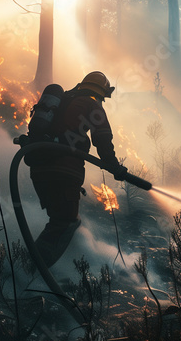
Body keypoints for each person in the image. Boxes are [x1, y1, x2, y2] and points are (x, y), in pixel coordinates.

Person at [25, 71, 126, 268]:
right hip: (64, 172)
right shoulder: (92, 105)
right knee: (66, 223)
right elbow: (103, 140)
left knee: (59, 221)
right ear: (102, 93)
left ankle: (39, 271)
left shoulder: (62, 102)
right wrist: (116, 168)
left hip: (39, 168)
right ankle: (28, 273)